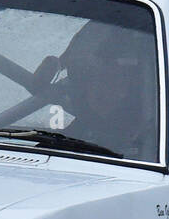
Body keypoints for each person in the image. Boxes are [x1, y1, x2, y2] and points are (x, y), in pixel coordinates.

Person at [57, 20, 156, 157]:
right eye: (89, 77)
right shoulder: (64, 140)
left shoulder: (165, 141)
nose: (96, 87)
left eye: (121, 77)